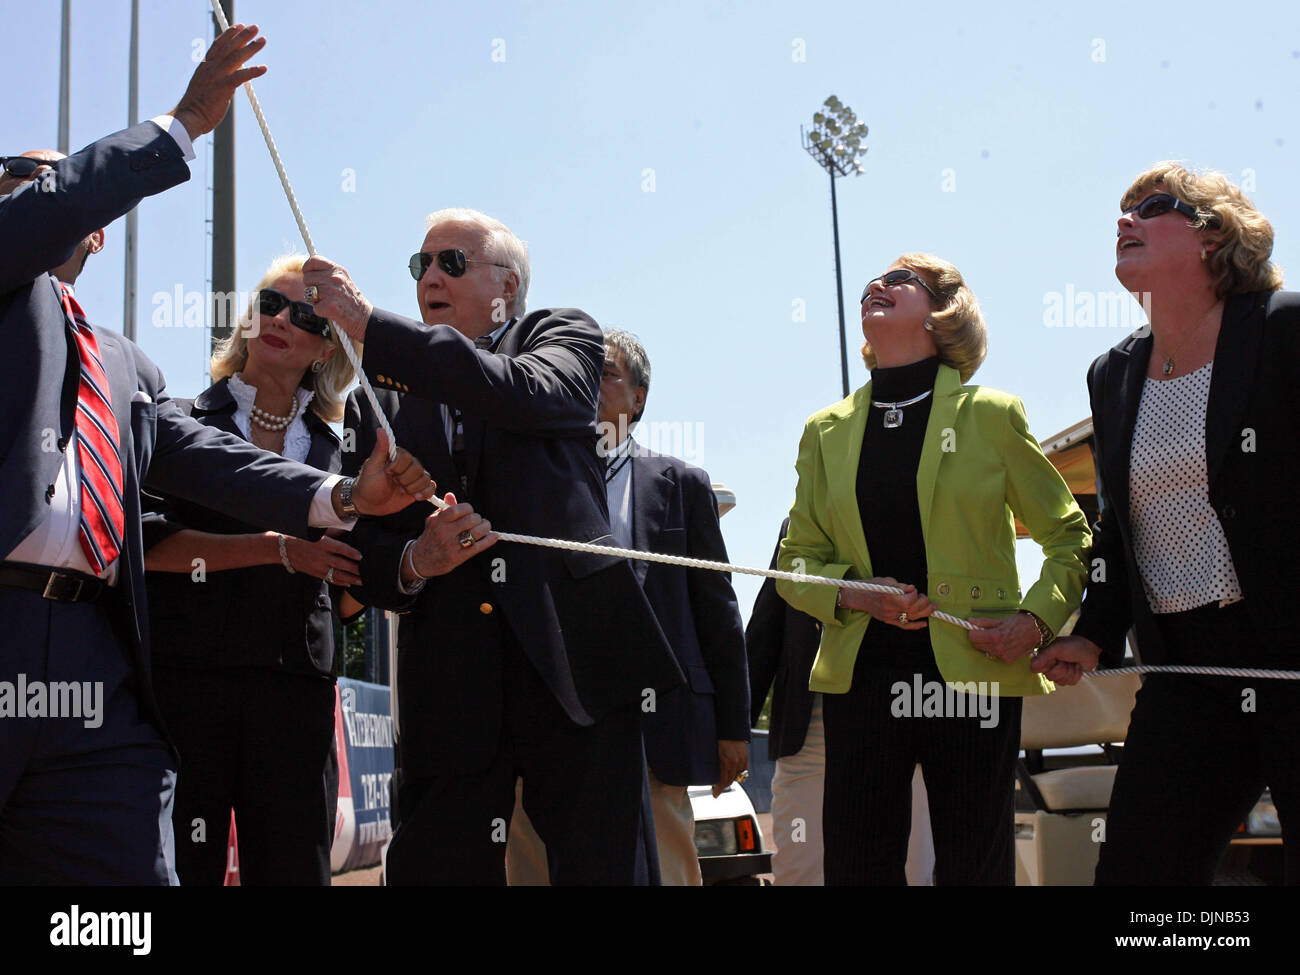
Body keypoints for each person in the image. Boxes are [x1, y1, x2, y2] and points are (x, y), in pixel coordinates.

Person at [0, 26, 434, 885]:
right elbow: (47, 212)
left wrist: (345, 497)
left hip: (97, 654)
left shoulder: (130, 367)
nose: (52, 196)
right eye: (28, 177)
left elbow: (202, 458)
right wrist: (185, 123)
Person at [305, 210, 683, 885]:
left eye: (452, 261)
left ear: (507, 284)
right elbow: (366, 553)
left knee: (606, 870)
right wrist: (418, 557)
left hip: (574, 664)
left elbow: (528, 395)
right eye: (421, 265)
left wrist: (368, 326)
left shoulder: (560, 334)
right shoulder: (375, 394)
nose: (431, 277)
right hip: (450, 684)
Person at [776, 254, 1090, 885]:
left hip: (976, 675)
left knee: (976, 867)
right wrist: (857, 596)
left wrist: (1034, 623)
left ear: (944, 309)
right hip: (861, 680)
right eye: (871, 281)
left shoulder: (993, 415)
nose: (876, 285)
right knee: (858, 869)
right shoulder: (823, 430)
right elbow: (794, 564)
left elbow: (1069, 537)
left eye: (899, 280)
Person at [1033, 164, 1300, 885]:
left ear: (1215, 235)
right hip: (1186, 671)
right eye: (1121, 211)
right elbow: (1118, 528)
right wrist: (1093, 629)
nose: (1127, 221)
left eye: (1152, 207)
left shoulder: (1285, 329)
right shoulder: (1111, 374)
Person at [142, 255, 359, 885]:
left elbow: (357, 585)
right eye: (269, 303)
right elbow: (150, 546)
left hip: (296, 691)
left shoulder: (345, 449)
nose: (280, 320)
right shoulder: (176, 420)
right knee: (180, 866)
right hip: (186, 685)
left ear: (326, 350)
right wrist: (280, 549)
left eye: (305, 315)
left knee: (294, 866)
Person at [505, 328, 750, 886]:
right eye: (579, 370)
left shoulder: (682, 484)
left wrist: (732, 726)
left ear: (639, 398)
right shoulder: (523, 479)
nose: (591, 382)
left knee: (663, 865)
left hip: (653, 724)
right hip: (546, 714)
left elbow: (716, 609)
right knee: (534, 864)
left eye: (607, 372)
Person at [748, 518, 935, 885]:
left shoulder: (925, 514)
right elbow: (765, 632)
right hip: (810, 729)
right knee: (799, 869)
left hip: (906, 721)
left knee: (911, 870)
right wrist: (732, 729)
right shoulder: (797, 527)